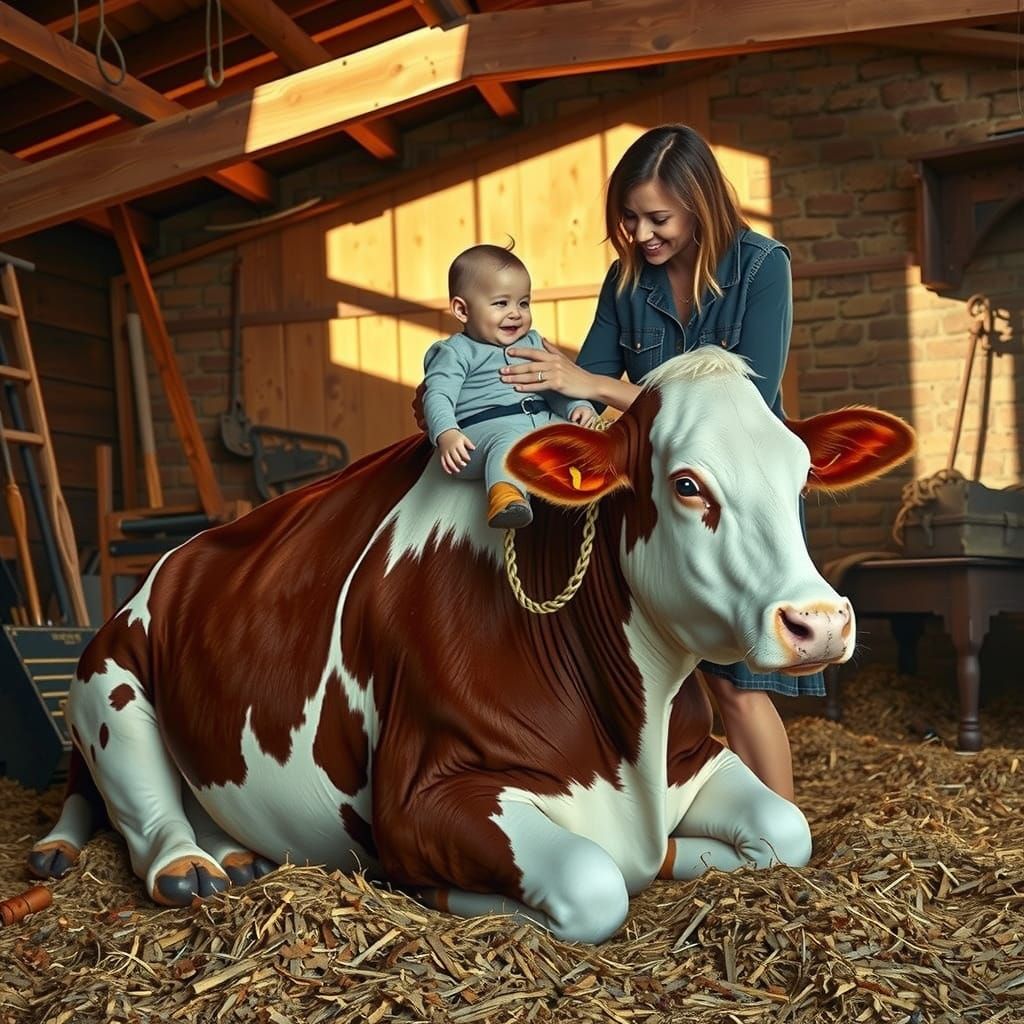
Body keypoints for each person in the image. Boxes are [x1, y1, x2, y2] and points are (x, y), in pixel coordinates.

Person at [495, 124, 819, 801]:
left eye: (658, 218)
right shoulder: (627, 280)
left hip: (737, 500)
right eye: (630, 218)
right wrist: (551, 393)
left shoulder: (762, 267)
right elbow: (581, 376)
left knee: (735, 685)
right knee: (650, 678)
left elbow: (740, 411)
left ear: (700, 203)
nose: (642, 234)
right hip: (662, 503)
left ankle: (789, 842)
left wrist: (600, 391)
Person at [422, 243, 597, 529]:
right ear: (462, 310)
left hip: (540, 423)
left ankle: (589, 482)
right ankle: (506, 495)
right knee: (510, 442)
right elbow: (438, 395)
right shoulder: (456, 352)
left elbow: (553, 388)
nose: (516, 313)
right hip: (481, 438)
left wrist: (577, 405)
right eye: (501, 303)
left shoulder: (532, 342)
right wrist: (447, 433)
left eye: (523, 303)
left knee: (582, 433)